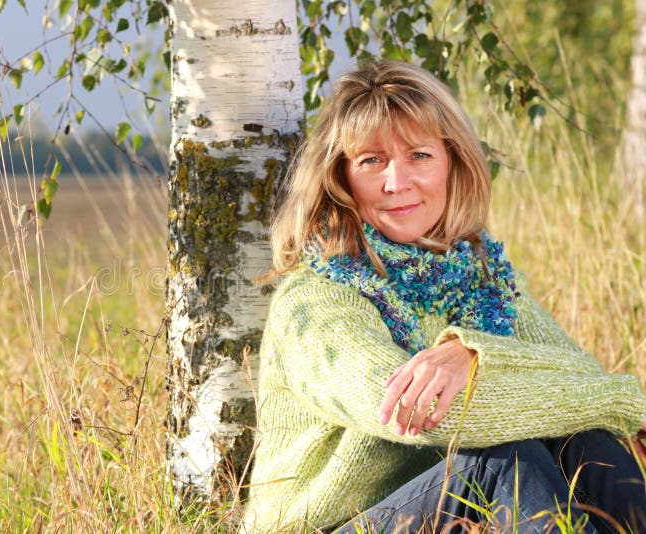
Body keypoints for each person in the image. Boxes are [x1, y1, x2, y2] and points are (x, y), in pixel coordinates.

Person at [241, 60, 646, 533]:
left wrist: (475, 355)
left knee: (585, 442)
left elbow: (576, 372)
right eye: (372, 161)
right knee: (504, 464)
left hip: (431, 513)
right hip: (327, 526)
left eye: (419, 155)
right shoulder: (316, 302)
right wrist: (628, 401)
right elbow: (418, 412)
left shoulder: (480, 283)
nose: (397, 182)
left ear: (452, 160)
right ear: (340, 178)